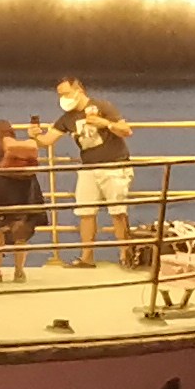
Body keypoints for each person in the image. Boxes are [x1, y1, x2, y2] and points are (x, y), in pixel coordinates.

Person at [48, 77, 134, 267]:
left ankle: (125, 254)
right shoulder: (67, 118)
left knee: (118, 212)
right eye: (60, 95)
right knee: (85, 212)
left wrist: (104, 123)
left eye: (66, 93)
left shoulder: (102, 105)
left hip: (114, 165)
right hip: (88, 168)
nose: (63, 99)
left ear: (78, 90)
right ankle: (86, 257)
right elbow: (48, 140)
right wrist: (35, 134)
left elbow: (126, 130)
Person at [0, 116, 45, 280]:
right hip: (27, 189)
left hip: (2, 187)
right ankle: (19, 272)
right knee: (20, 230)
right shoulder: (18, 147)